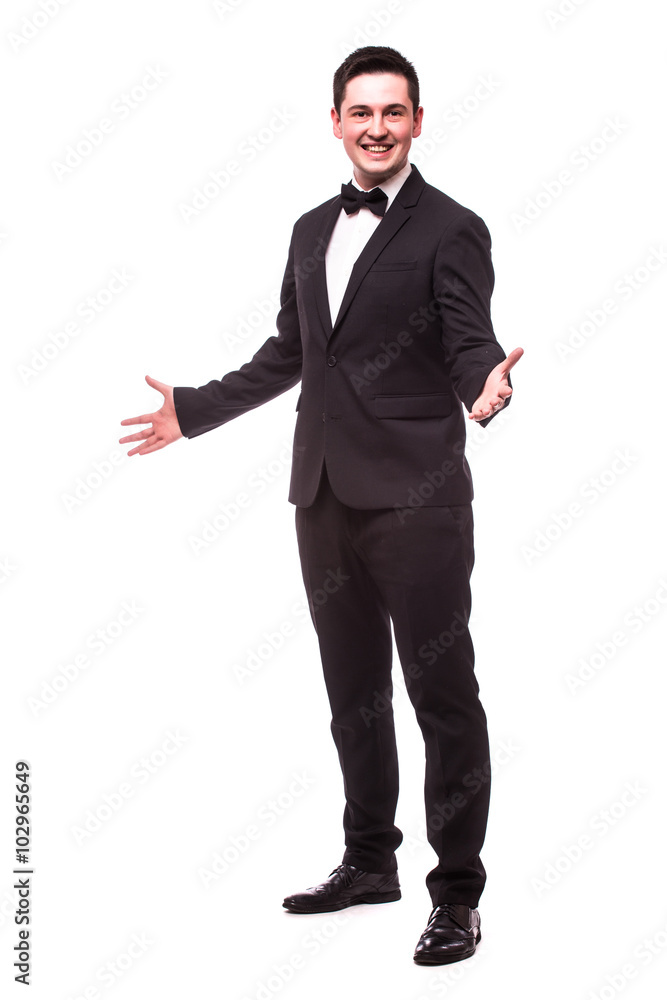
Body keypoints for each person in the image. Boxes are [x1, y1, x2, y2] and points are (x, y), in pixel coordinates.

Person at [120, 45, 523, 966]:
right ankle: (368, 861)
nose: (376, 127)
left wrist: (484, 387)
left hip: (418, 500)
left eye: (393, 111)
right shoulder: (309, 229)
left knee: (441, 694)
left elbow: (470, 339)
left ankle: (457, 897)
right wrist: (194, 410)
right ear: (335, 122)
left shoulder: (452, 227)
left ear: (416, 121)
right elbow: (291, 353)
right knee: (353, 693)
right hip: (323, 496)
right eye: (360, 112)